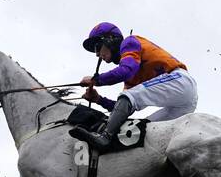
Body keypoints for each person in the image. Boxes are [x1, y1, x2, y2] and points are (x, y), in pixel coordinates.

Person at [70, 22, 198, 153]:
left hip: (181, 81)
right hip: (184, 104)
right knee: (145, 129)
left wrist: (96, 79)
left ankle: (105, 137)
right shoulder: (130, 78)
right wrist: (98, 99)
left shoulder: (129, 42)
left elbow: (126, 71)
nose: (97, 54)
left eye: (97, 47)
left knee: (129, 96)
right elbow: (121, 108)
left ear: (109, 40)